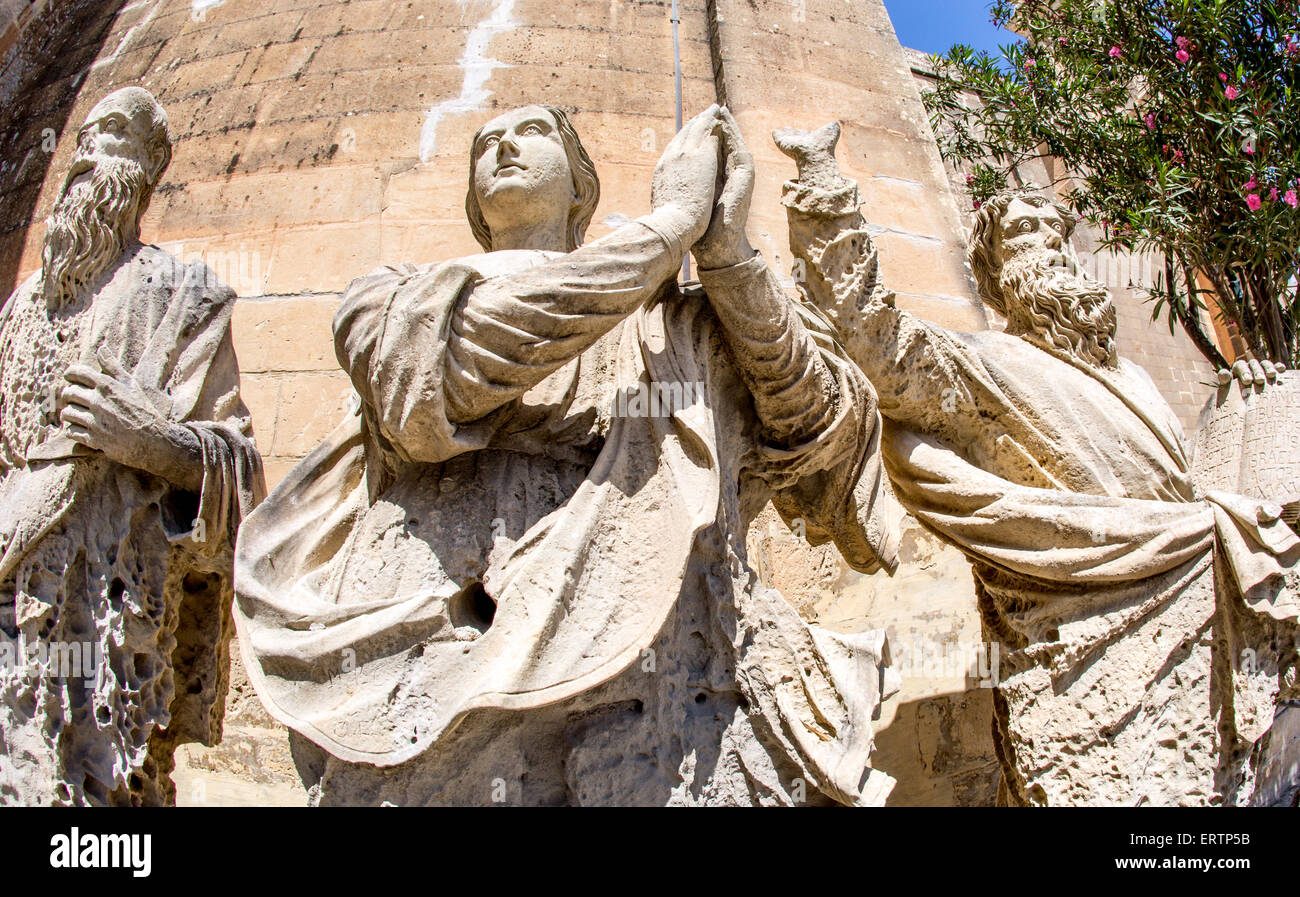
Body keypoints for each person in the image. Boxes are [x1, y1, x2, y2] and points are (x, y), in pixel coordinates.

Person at [235, 104, 903, 806]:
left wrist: (729, 258)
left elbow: (811, 417)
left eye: (530, 132)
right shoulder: (394, 295)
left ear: (581, 186)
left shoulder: (658, 314)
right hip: (441, 599)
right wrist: (669, 229)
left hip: (638, 633)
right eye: (485, 143)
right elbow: (445, 378)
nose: (502, 146)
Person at [772, 121, 1300, 805]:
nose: (1046, 248)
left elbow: (1188, 496)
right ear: (994, 275)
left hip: (1201, 633)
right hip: (1077, 657)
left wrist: (1245, 407)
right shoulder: (986, 365)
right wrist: (826, 193)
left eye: (1053, 236)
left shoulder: (1138, 382)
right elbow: (878, 347)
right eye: (1022, 236)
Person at [0, 87, 264, 806]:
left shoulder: (183, 294)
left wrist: (147, 440)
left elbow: (239, 471)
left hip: (113, 600)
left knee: (104, 796)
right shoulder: (20, 306)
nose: (88, 151)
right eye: (82, 137)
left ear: (154, 162)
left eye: (113, 134)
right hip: (12, 586)